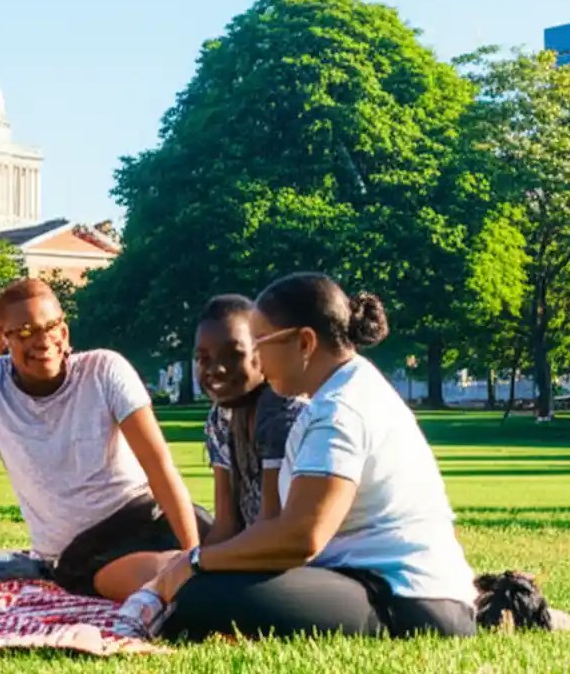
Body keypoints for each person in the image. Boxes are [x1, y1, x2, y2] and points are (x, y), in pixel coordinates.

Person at [129, 273, 476, 640]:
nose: (257, 359)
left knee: (198, 594)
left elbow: (301, 537)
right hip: (377, 584)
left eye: (261, 342)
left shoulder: (340, 410)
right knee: (205, 584)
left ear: (305, 342)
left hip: (403, 598)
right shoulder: (341, 393)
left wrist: (196, 562)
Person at [0, 277, 210, 602]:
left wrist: (191, 551)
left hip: (150, 515)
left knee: (234, 561)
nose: (43, 341)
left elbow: (158, 466)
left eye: (51, 327)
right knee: (182, 586)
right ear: (3, 338)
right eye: (25, 332)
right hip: (85, 553)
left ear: (64, 331)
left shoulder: (104, 370)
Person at [195, 295, 305, 544]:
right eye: (203, 358)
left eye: (233, 355)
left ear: (262, 352)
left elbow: (273, 526)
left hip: (295, 556)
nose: (216, 369)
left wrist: (196, 563)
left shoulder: (284, 411)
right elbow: (226, 524)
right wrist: (186, 561)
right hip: (250, 547)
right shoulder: (221, 417)